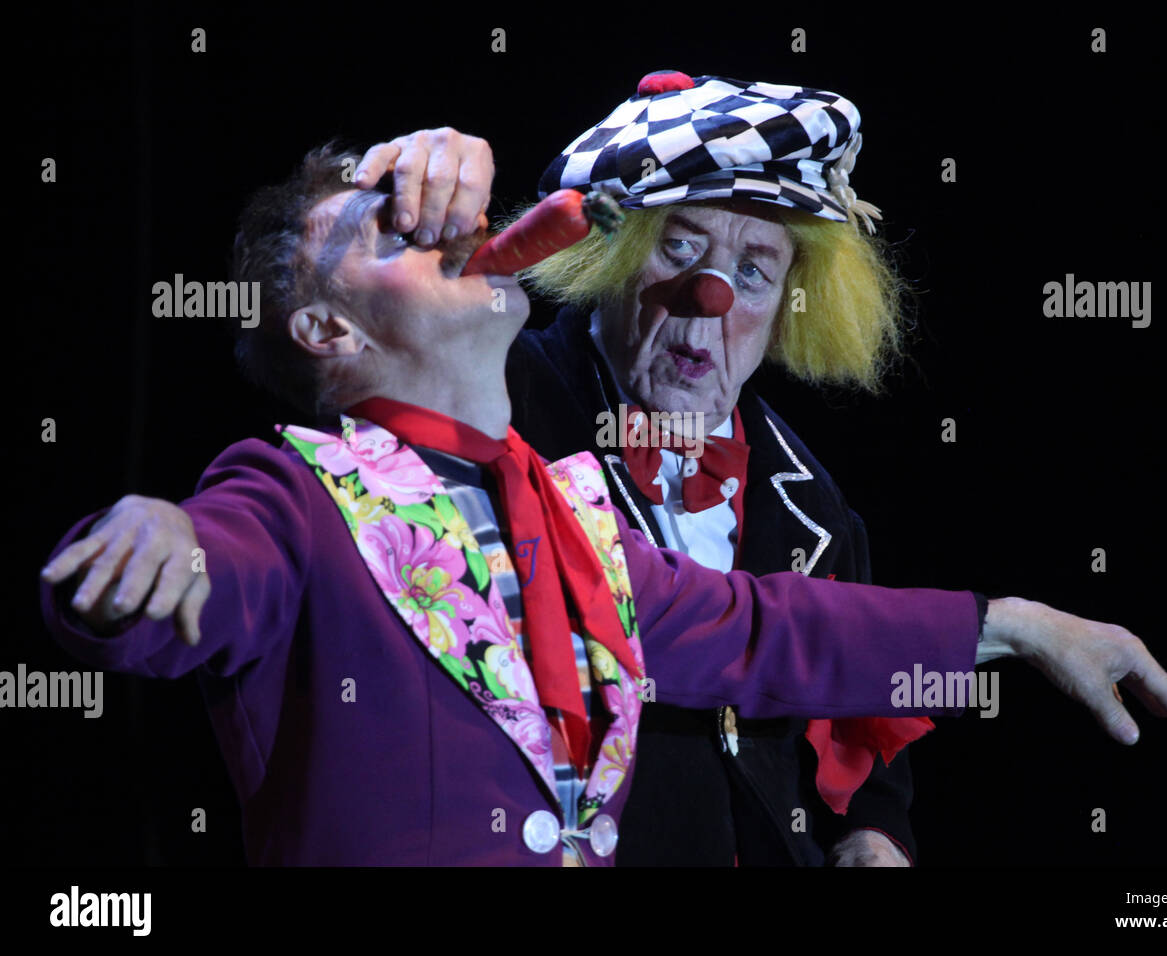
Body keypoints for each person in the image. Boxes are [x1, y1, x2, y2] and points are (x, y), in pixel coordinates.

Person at [39, 142, 1167, 867]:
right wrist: (155, 533)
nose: (451, 232)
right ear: (328, 331)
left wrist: (1020, 623)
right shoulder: (292, 490)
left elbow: (773, 627)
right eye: (399, 233)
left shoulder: (577, 524)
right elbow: (198, 580)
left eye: (754, 267)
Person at [361, 71, 941, 866]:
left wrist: (874, 836)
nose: (708, 297)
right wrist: (409, 203)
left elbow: (862, 710)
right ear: (612, 253)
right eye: (679, 246)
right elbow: (372, 377)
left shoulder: (812, 501)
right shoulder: (498, 400)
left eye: (754, 272)